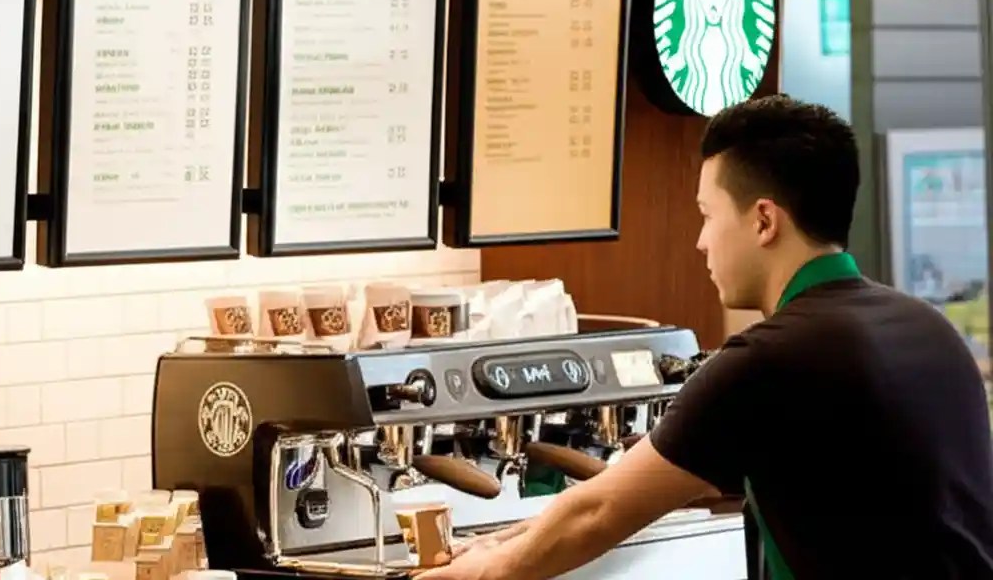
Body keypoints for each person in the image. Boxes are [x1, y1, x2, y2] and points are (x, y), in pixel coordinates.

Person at [417, 95, 993, 579]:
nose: (699, 242)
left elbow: (598, 513)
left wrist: (484, 571)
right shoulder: (929, 329)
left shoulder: (770, 361)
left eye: (707, 214)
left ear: (764, 220)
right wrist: (495, 543)